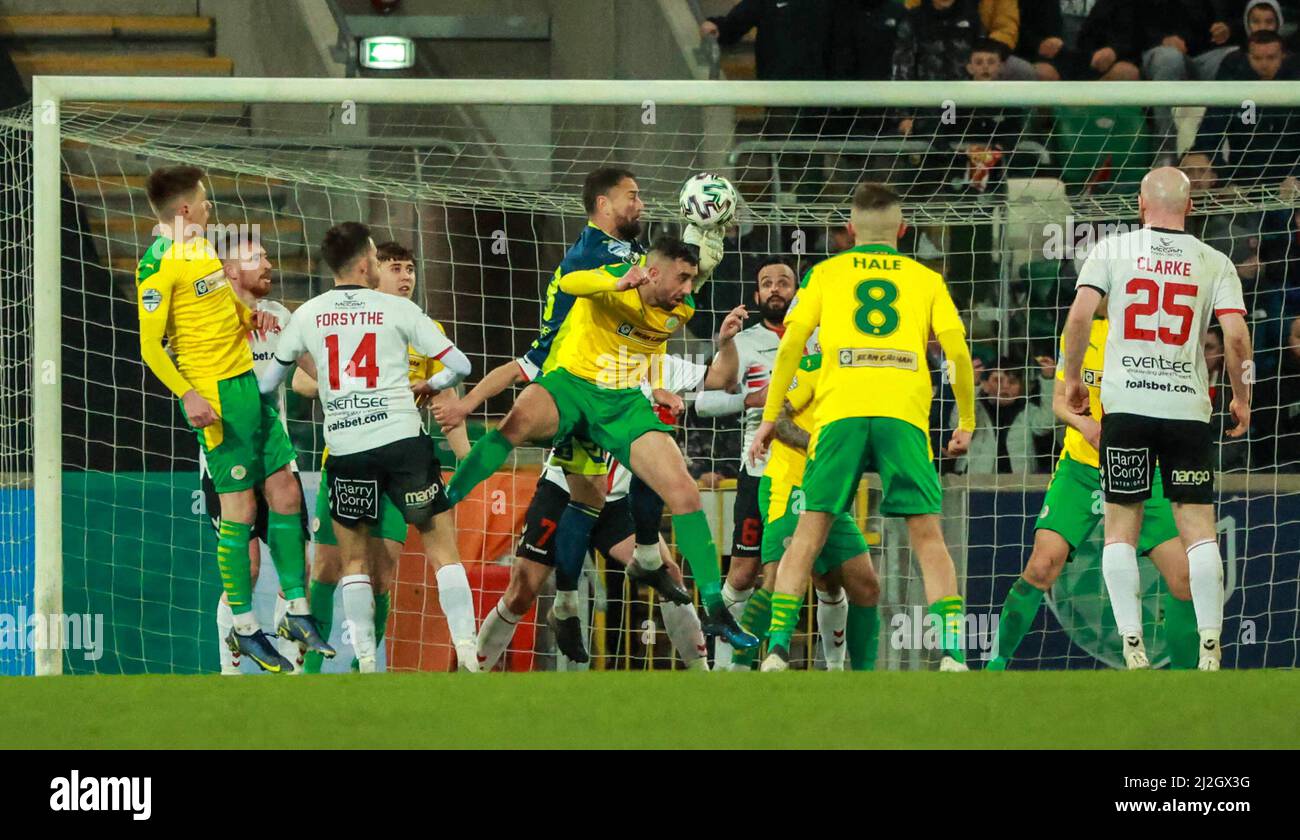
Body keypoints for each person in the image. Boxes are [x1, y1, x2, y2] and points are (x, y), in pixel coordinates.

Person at [441, 237, 760, 661]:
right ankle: (446, 503)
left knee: (683, 494)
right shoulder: (610, 282)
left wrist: (682, 372)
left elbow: (695, 369)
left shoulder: (679, 313)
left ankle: (714, 613)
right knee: (517, 431)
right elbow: (570, 282)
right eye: (682, 278)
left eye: (691, 279)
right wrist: (616, 282)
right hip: (572, 394)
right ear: (654, 271)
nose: (688, 289)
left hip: (620, 409)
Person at [749, 182, 977, 672]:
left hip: (840, 414)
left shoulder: (824, 274)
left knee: (809, 533)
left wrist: (770, 416)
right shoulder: (926, 279)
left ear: (848, 231)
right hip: (903, 415)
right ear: (904, 229)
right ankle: (954, 654)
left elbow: (791, 346)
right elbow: (957, 352)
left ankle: (775, 650)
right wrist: (968, 420)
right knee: (928, 538)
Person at [135, 165, 330, 672]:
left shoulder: (201, 249)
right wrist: (186, 395)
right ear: (184, 210)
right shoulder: (157, 264)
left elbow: (221, 304)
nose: (209, 209)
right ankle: (244, 628)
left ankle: (297, 611)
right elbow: (150, 347)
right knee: (240, 512)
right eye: (203, 202)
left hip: (248, 386)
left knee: (286, 490)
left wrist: (252, 317)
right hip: (216, 398)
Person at [259, 223, 477, 673]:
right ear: (366, 264)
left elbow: (272, 385)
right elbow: (461, 367)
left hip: (349, 449)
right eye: (384, 261)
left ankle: (363, 665)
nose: (395, 272)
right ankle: (468, 653)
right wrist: (422, 385)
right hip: (402, 445)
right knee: (346, 564)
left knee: (369, 568)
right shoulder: (398, 313)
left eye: (405, 267)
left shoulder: (308, 314)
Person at [476, 316, 749, 672]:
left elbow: (722, 379)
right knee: (521, 592)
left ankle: (703, 675)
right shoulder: (587, 360)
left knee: (670, 574)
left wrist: (726, 342)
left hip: (617, 505)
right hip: (566, 492)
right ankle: (473, 673)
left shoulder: (662, 366)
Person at [1061, 167, 1253, 671]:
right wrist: (1241, 396)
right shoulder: (1215, 261)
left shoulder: (1112, 249)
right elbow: (1235, 337)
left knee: (1120, 529)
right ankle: (1211, 645)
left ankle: (1131, 645)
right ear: (1189, 206)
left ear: (1141, 204)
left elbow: (1080, 317)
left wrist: (1073, 379)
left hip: (1126, 409)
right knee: (1199, 530)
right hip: (1187, 411)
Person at [988, 315, 1199, 671]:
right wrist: (1085, 425)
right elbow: (1058, 401)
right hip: (1082, 470)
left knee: (1184, 577)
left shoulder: (1152, 333)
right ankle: (994, 666)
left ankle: (1185, 684)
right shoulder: (1079, 331)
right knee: (1041, 566)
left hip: (1144, 469)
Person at [693, 256, 814, 669]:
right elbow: (705, 400)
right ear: (757, 295)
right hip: (759, 471)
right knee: (744, 574)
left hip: (809, 470)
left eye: (784, 282)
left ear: (798, 292)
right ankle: (722, 662)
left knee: (823, 576)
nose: (776, 288)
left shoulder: (817, 339)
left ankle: (827, 666)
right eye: (767, 283)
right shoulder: (743, 343)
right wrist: (749, 397)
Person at [732, 349, 883, 672]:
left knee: (865, 585)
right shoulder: (813, 366)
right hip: (791, 485)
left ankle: (860, 676)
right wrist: (818, 444)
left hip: (830, 494)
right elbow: (779, 421)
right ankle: (741, 667)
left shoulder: (872, 376)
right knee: (775, 581)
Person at [202, 234, 311, 674]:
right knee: (245, 570)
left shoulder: (281, 316)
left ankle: (291, 668)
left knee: (296, 563)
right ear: (229, 270)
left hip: (278, 461)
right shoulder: (207, 320)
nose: (267, 262)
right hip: (226, 461)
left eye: (267, 254)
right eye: (255, 256)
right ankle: (232, 666)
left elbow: (310, 370)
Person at [952, 355, 1056, 475]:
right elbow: (958, 424)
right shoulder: (976, 410)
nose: (1006, 386)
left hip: (1019, 484)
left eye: (1012, 382)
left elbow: (1047, 424)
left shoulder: (1027, 411)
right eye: (998, 381)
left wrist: (1048, 379)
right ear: (985, 385)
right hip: (975, 482)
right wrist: (972, 385)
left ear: (1020, 387)